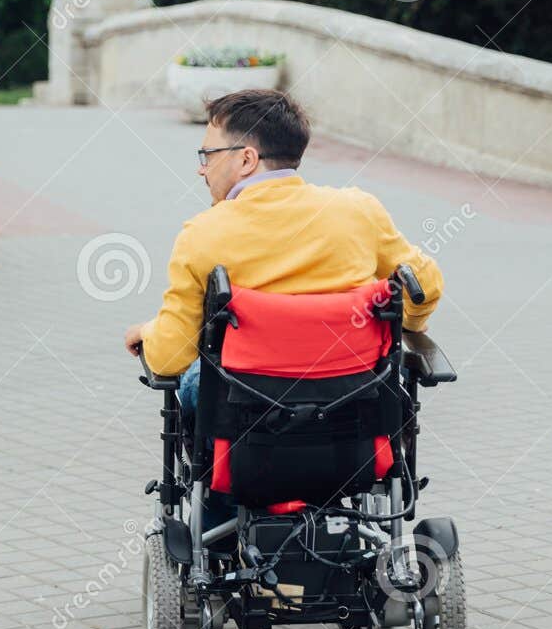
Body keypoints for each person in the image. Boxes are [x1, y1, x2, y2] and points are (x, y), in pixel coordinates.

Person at [124, 89, 443, 417]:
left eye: (208, 155)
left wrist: (148, 332)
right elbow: (425, 287)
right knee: (388, 366)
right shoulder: (358, 210)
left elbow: (170, 357)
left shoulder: (201, 233)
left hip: (244, 415)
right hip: (354, 404)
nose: (202, 170)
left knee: (200, 371)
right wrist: (410, 325)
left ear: (246, 159)